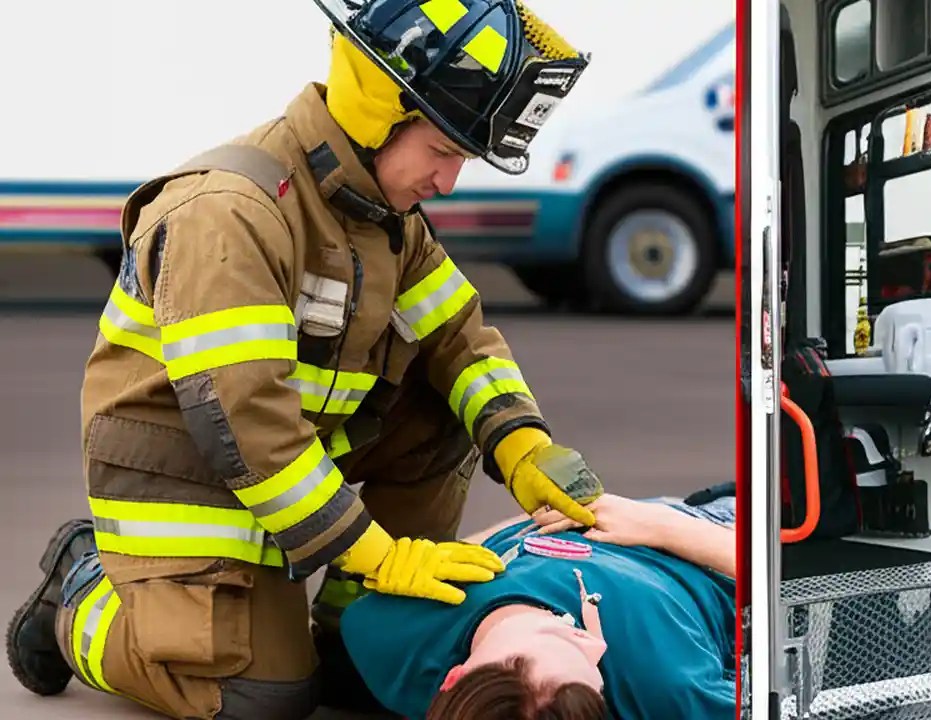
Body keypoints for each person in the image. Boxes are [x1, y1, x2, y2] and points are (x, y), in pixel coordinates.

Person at [6, 2, 606, 718]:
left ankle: (352, 632)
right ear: (381, 108)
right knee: (256, 698)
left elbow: (458, 337)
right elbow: (245, 422)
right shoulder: (230, 213)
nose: (448, 180)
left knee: (449, 403)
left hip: (281, 455)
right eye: (442, 151)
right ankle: (81, 592)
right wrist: (375, 551)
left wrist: (524, 444)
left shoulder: (378, 212)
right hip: (186, 474)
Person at [338, 488, 738, 719]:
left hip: (621, 514)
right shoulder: (666, 686)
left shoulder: (383, 633)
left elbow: (512, 539)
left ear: (451, 679)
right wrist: (667, 528)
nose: (593, 642)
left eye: (552, 631)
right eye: (598, 682)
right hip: (727, 540)